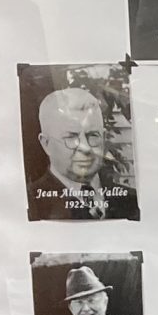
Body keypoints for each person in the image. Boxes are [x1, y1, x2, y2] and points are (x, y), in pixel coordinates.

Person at [28, 85, 135, 221]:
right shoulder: (30, 203)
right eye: (71, 137)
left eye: (93, 135)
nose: (85, 148)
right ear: (46, 144)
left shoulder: (132, 201)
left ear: (103, 137)